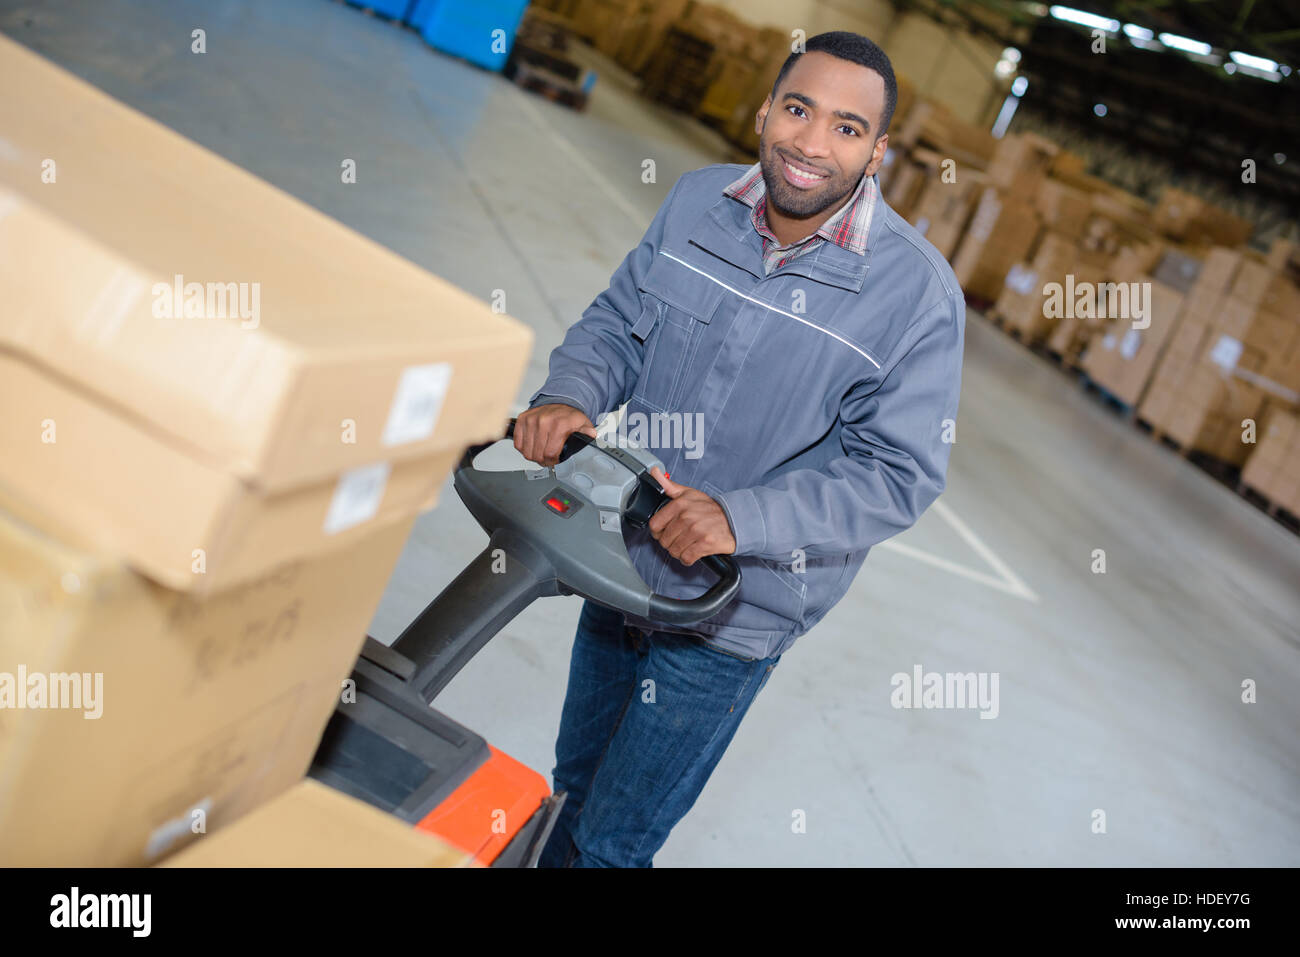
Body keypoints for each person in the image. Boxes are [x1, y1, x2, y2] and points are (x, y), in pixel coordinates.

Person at [515, 30, 965, 867]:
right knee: (571, 788)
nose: (810, 143)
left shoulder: (916, 296)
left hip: (730, 613)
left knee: (614, 842)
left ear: (878, 152)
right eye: (798, 110)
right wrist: (571, 392)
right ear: (765, 110)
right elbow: (618, 322)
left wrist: (740, 517)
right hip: (621, 558)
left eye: (845, 127)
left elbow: (898, 473)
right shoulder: (695, 203)